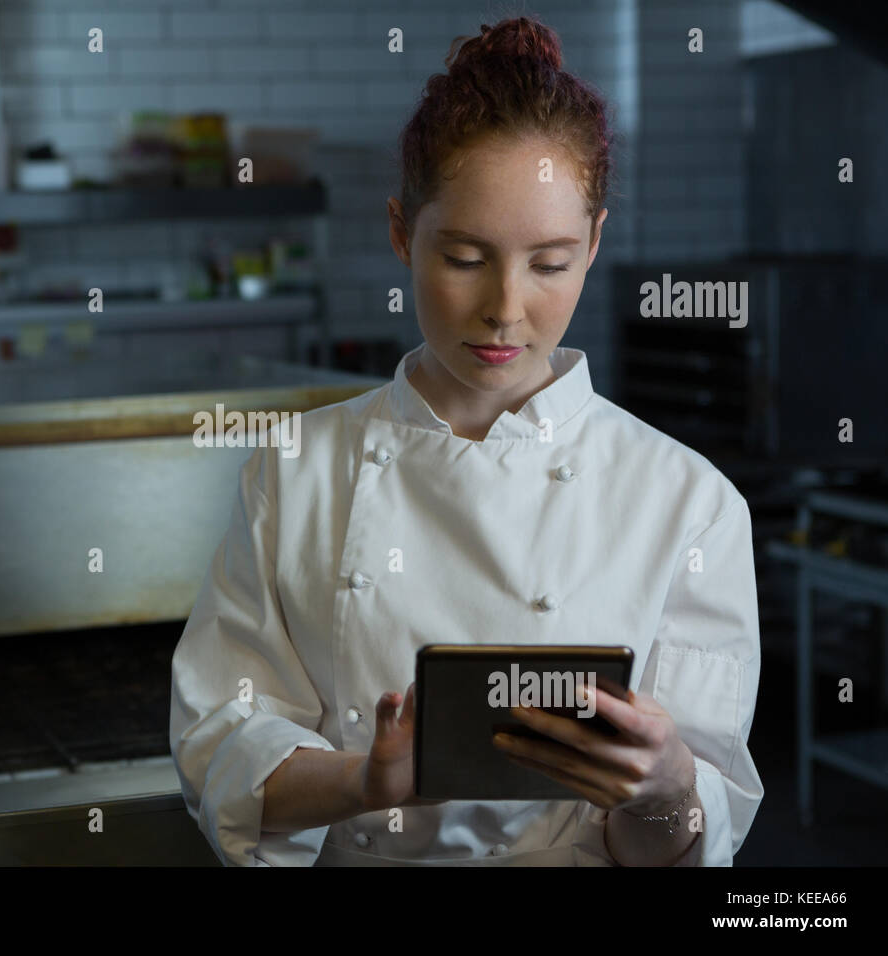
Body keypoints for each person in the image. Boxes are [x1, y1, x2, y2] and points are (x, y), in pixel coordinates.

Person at [168, 15, 763, 866]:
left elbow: (678, 844)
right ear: (401, 231)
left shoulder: (688, 502)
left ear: (594, 244)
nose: (505, 307)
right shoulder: (295, 468)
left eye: (549, 262)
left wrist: (670, 789)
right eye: (464, 256)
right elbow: (221, 741)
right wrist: (364, 785)